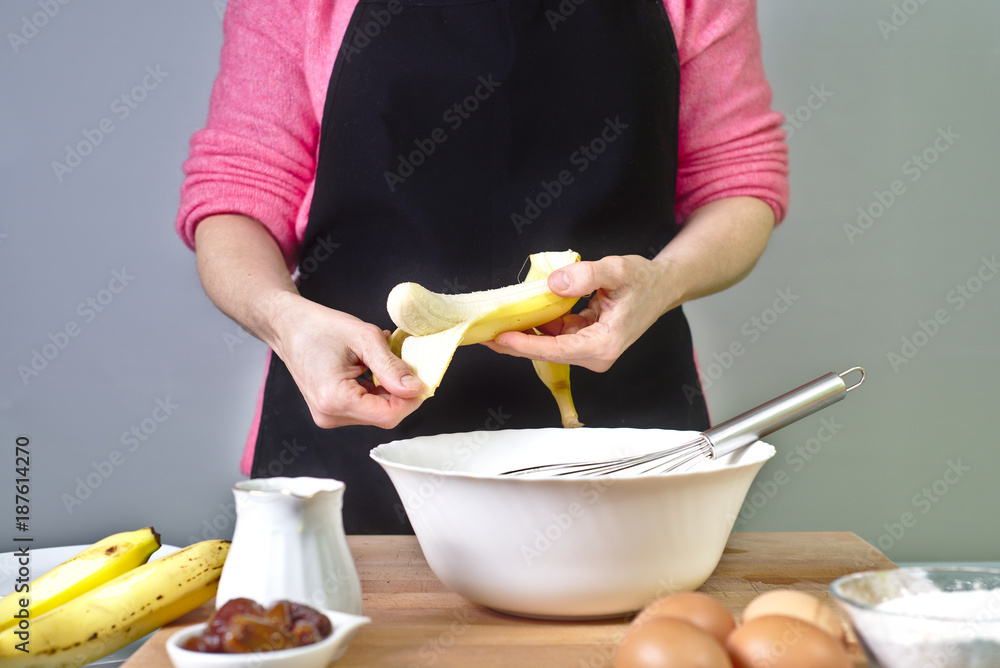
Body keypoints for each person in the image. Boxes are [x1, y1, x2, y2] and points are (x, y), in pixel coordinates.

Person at [176, 0, 789, 534]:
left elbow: (737, 177)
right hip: (354, 423)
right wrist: (284, 320)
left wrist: (665, 281)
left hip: (618, 427)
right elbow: (237, 189)